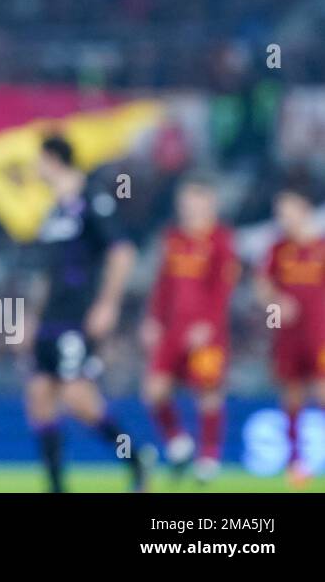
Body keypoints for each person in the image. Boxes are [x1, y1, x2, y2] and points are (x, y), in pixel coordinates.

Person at [24, 135, 149, 492]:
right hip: (50, 319)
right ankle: (56, 485)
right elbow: (48, 272)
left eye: (38, 160)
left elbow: (122, 253)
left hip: (77, 318)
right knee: (39, 396)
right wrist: (34, 316)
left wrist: (107, 304)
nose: (36, 168)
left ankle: (137, 459)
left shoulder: (93, 199)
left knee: (79, 400)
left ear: (52, 159)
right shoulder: (53, 212)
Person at [140, 177, 240, 483]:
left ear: (209, 203)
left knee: (207, 391)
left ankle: (208, 457)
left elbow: (224, 287)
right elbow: (163, 284)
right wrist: (153, 319)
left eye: (195, 202)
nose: (189, 208)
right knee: (153, 390)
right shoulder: (172, 238)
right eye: (184, 202)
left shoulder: (221, 240)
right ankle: (178, 443)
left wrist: (208, 323)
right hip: (172, 330)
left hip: (207, 332)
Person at [254, 183, 325, 486]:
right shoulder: (277, 250)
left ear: (305, 210)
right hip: (288, 337)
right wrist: (276, 302)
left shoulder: (321, 247)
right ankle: (296, 463)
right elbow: (261, 286)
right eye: (279, 213)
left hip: (320, 334)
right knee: (292, 396)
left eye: (288, 212)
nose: (283, 218)